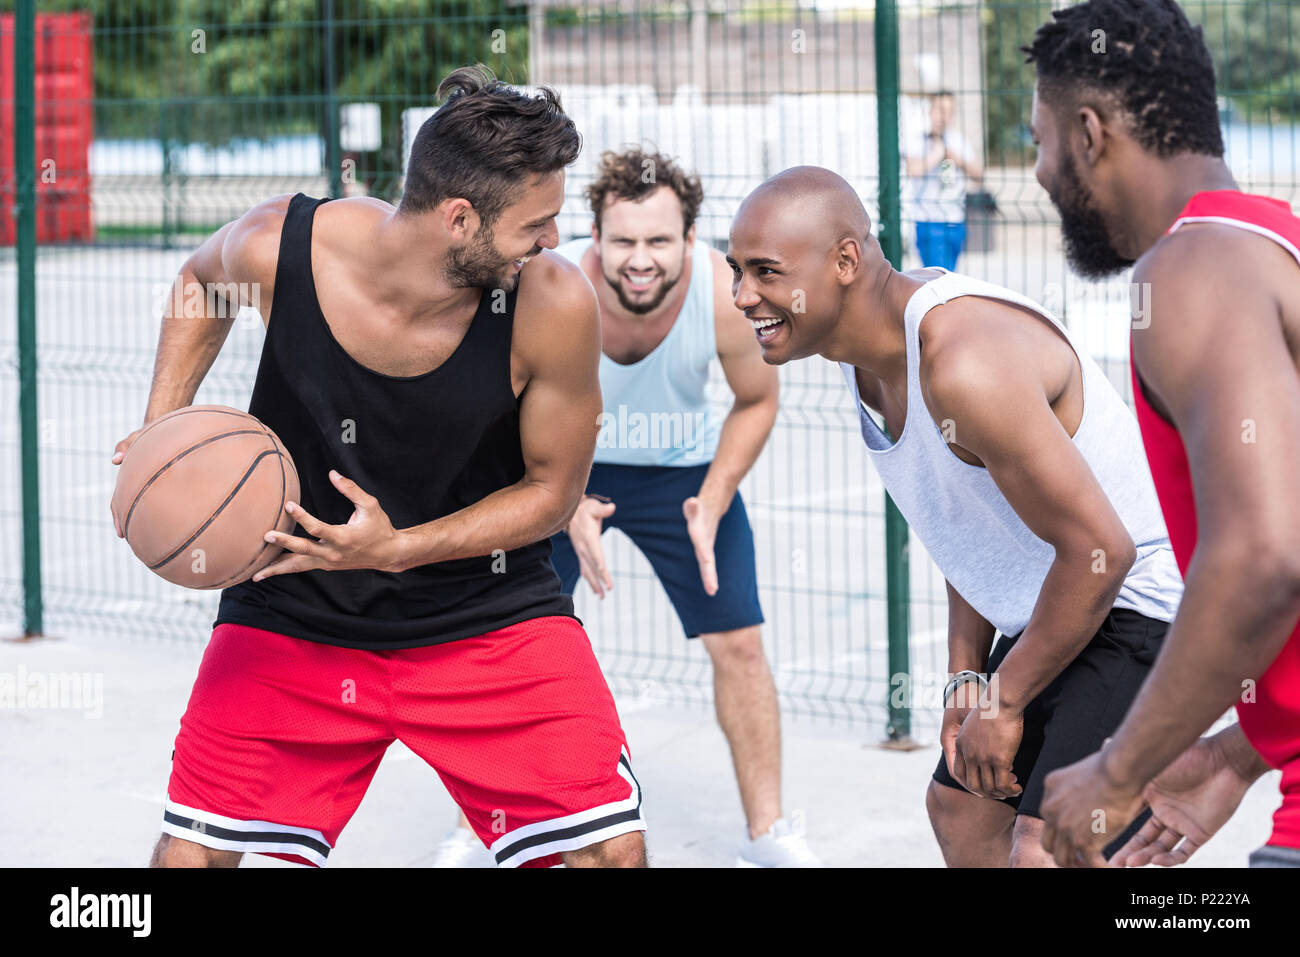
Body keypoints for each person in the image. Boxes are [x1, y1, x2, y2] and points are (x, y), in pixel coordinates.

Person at [110, 66, 648, 869]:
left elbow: (550, 494)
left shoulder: (552, 303)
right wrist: (164, 425)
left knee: (610, 850)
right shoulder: (281, 247)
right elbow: (199, 282)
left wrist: (400, 546)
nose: (553, 242)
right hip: (295, 607)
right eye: (536, 224)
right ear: (459, 218)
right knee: (191, 857)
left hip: (486, 610)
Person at [727, 165, 1184, 867]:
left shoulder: (962, 360)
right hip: (1065, 605)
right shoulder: (862, 356)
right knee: (960, 807)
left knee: (1049, 843)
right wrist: (967, 679)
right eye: (736, 271)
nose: (741, 295)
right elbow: (967, 523)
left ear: (846, 260)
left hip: (1142, 603)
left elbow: (1104, 552)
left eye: (764, 272)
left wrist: (1003, 703)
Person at [434, 146, 820, 868]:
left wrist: (713, 498)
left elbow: (757, 399)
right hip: (557, 463)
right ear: (596, 239)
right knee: (499, 634)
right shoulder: (549, 286)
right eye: (624, 241)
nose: (640, 259)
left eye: (658, 241)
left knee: (738, 641)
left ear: (690, 241)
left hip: (683, 473)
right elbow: (497, 404)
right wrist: (563, 495)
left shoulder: (720, 297)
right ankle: (473, 822)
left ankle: (768, 832)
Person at [1023, 0, 1300, 869]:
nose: (1036, 171)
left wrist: (1118, 766)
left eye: (1040, 142)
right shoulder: (1269, 243)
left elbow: (1262, 557)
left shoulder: (1192, 268)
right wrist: (1235, 751)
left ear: (1090, 132)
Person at [904, 91, 983, 271]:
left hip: (955, 219)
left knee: (950, 275)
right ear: (930, 111)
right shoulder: (918, 140)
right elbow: (913, 170)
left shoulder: (958, 140)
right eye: (940, 110)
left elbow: (978, 174)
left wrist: (955, 157)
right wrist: (936, 155)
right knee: (939, 278)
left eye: (949, 111)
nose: (944, 116)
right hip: (930, 219)